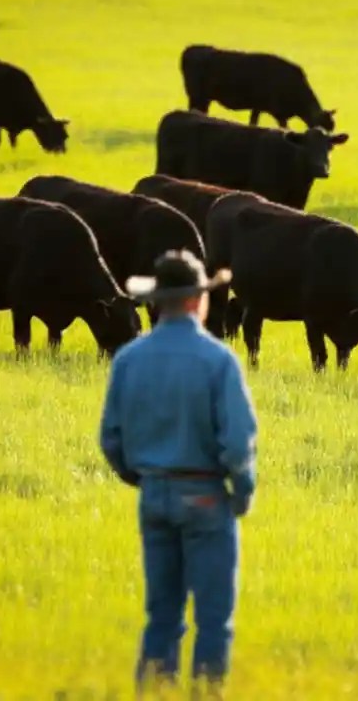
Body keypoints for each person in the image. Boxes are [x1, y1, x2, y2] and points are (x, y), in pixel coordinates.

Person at [99, 250, 259, 690]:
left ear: (157, 302)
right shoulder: (217, 360)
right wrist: (242, 494)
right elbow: (237, 441)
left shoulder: (129, 360)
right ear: (196, 300)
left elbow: (111, 438)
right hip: (206, 494)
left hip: (155, 495)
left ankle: (152, 691)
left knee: (162, 615)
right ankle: (206, 693)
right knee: (213, 619)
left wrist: (142, 477)